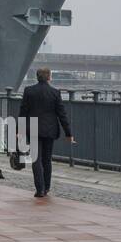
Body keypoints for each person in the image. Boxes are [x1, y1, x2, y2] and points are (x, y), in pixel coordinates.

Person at [17, 67, 74, 197]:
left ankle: (40, 189)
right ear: (49, 77)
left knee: (36, 159)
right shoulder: (55, 92)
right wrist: (68, 133)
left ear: (37, 77)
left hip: (33, 129)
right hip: (50, 129)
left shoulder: (29, 91)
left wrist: (19, 130)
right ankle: (47, 187)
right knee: (47, 160)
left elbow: (23, 112)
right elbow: (62, 114)